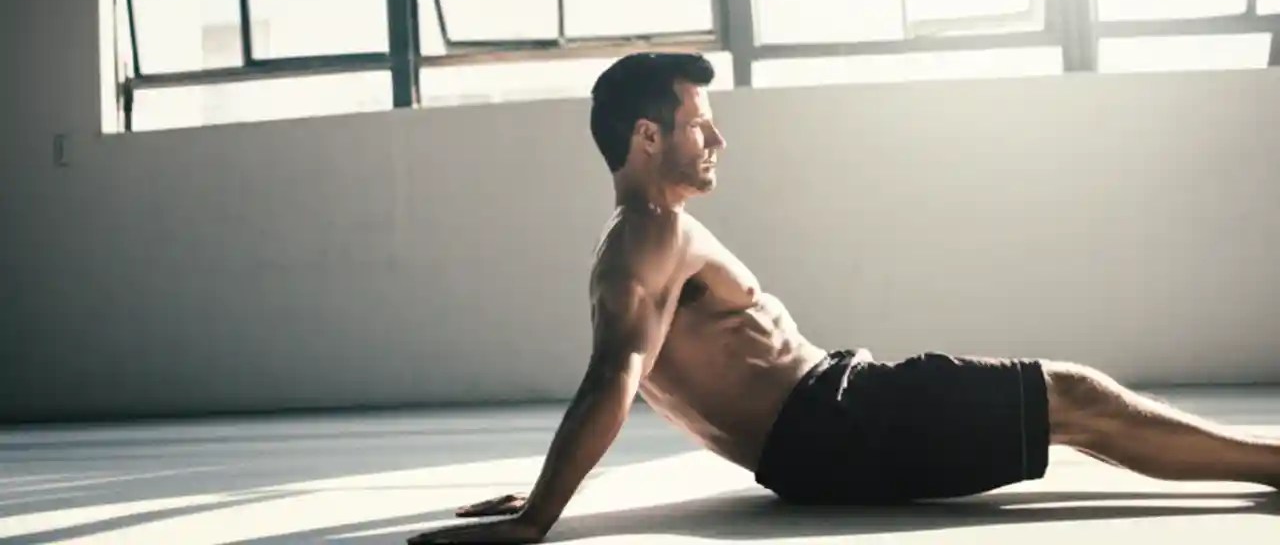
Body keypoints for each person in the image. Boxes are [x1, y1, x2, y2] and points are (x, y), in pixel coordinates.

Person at [408, 52, 1279, 544]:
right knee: (1074, 398)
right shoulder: (647, 234)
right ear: (647, 134)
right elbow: (613, 375)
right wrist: (536, 521)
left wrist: (538, 495)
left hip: (824, 428)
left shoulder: (637, 241)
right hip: (834, 419)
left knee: (1070, 412)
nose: (717, 136)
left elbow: (627, 369)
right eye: (697, 120)